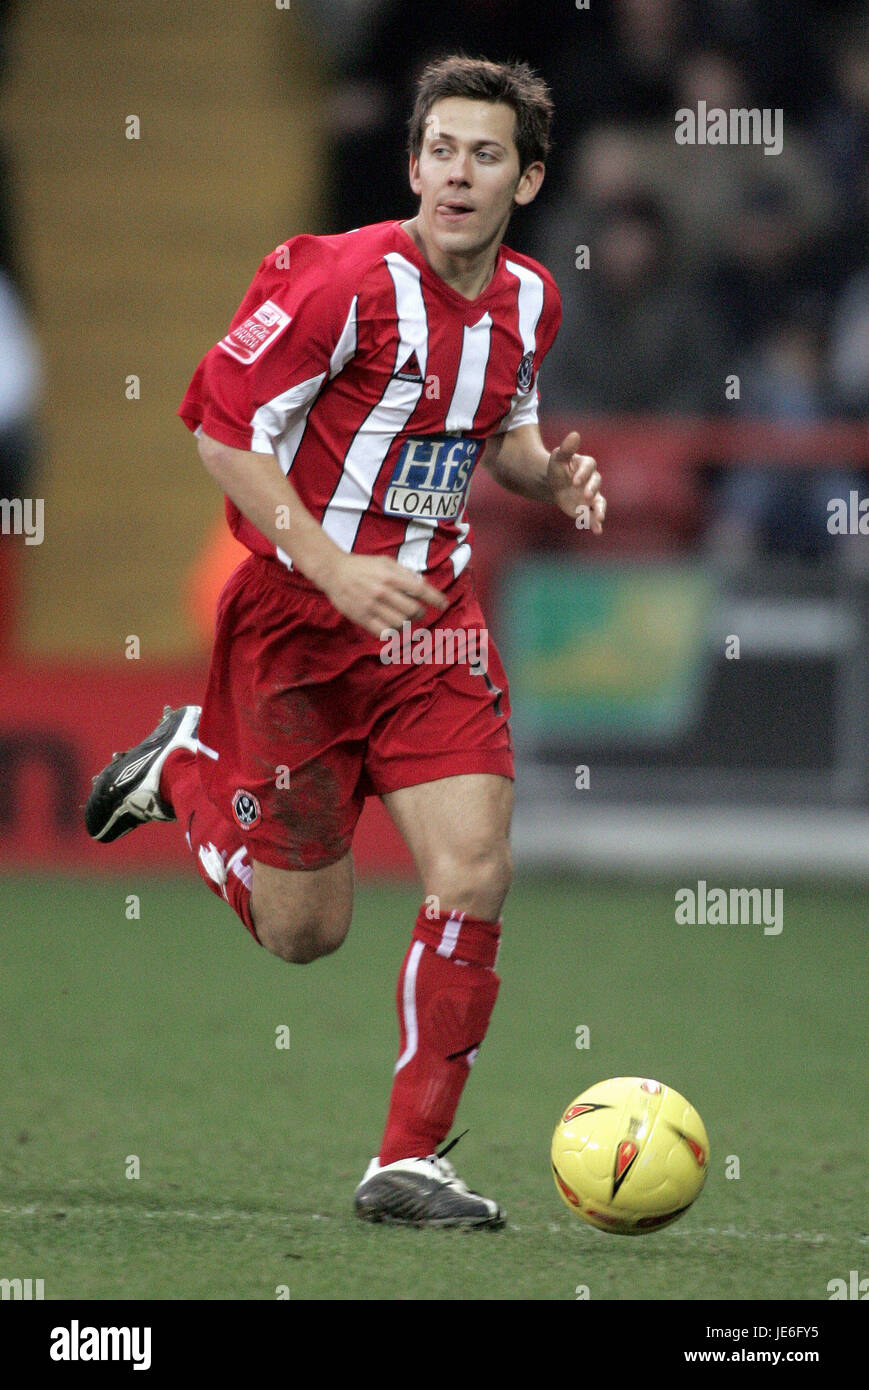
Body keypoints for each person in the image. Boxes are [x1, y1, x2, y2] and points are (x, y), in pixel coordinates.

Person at [85, 55, 606, 1228]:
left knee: (473, 871)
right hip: (296, 631)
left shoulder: (530, 299)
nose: (454, 174)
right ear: (412, 160)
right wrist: (327, 563)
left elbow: (499, 437)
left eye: (482, 155)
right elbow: (221, 432)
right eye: (437, 150)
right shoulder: (335, 280)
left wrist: (550, 479)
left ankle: (406, 1160)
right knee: (302, 934)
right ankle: (180, 768)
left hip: (430, 628)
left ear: (525, 179)